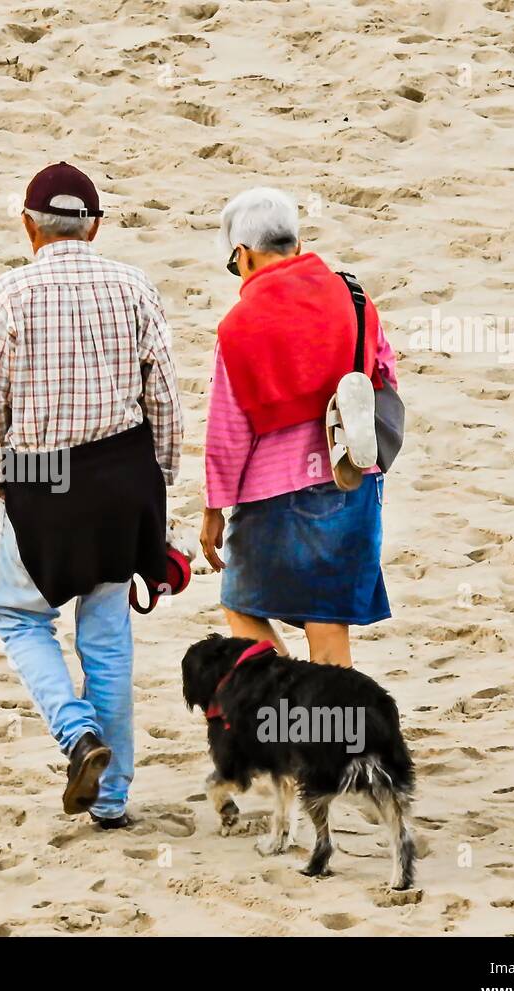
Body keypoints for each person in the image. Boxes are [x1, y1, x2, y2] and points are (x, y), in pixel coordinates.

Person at [0, 161, 182, 828]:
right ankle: (112, 799)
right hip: (122, 474)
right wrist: (159, 481)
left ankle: (76, 734)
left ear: (29, 226)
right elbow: (164, 398)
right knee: (109, 637)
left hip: (44, 474)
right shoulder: (133, 286)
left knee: (17, 615)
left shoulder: (9, 294)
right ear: (94, 228)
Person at [200, 187, 397, 667]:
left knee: (240, 604)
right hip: (351, 479)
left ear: (243, 254)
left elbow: (230, 429)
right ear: (296, 243)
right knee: (328, 626)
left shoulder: (240, 324)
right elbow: (384, 376)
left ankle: (285, 705)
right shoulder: (354, 298)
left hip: (275, 493)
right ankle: (333, 735)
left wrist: (214, 509)